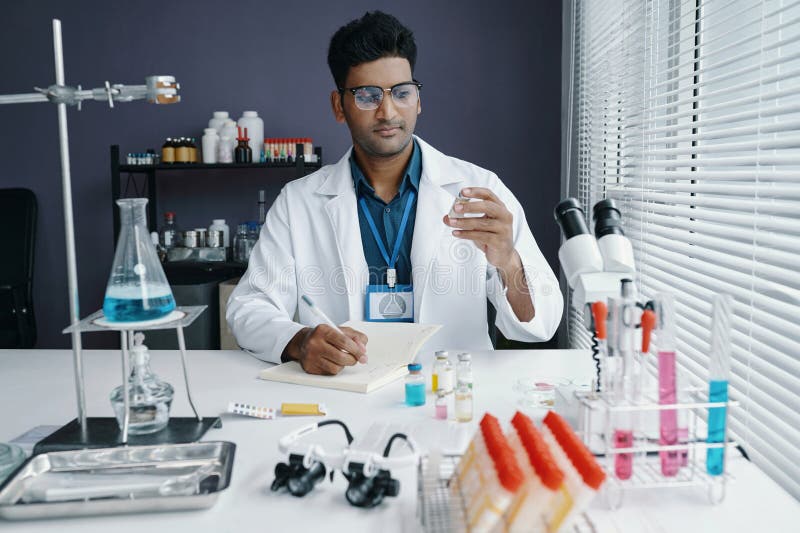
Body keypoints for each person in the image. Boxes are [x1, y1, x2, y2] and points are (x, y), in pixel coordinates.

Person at [227, 11, 563, 375]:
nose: (387, 112)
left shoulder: (479, 190)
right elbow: (249, 307)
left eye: (402, 93)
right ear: (339, 106)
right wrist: (300, 340)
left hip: (450, 391)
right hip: (347, 390)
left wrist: (508, 262)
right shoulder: (299, 202)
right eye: (367, 96)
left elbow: (540, 323)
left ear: (418, 100)